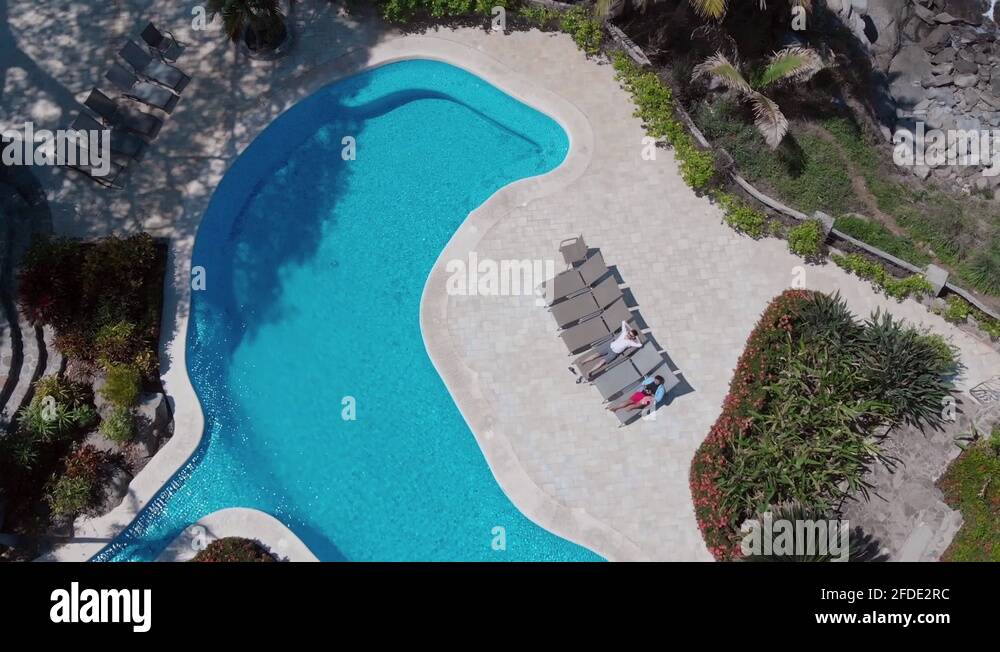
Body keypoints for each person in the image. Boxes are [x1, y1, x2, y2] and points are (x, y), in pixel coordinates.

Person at [575, 321, 641, 382]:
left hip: (614, 353)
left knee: (601, 363)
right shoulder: (624, 332)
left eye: (630, 335)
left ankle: (589, 371)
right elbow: (623, 322)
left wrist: (636, 336)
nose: (628, 335)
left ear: (632, 337)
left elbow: (640, 345)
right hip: (609, 346)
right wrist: (631, 329)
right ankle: (582, 362)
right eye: (629, 333)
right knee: (596, 355)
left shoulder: (630, 342)